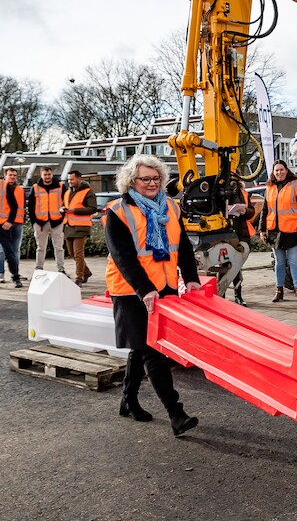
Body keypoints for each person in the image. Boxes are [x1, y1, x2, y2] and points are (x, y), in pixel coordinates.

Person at [104, 154, 201, 437]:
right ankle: (176, 413)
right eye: (145, 179)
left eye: (156, 178)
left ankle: (128, 400)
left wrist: (191, 277)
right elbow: (123, 257)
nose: (152, 183)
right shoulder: (117, 211)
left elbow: (182, 245)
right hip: (131, 290)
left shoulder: (171, 207)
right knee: (152, 350)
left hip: (165, 286)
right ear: (131, 181)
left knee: (141, 347)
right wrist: (144, 289)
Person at [258, 160, 297, 302]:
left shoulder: (295, 185)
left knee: (294, 261)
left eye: (281, 169)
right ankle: (279, 291)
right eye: (277, 170)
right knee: (279, 263)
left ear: (286, 170)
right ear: (273, 172)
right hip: (274, 231)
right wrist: (262, 230)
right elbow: (265, 210)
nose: (279, 172)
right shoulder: (270, 187)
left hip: (292, 230)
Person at [62, 170, 97, 285]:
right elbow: (65, 205)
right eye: (68, 180)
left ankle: (79, 278)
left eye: (72, 179)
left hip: (81, 227)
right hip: (69, 227)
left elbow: (92, 209)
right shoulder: (68, 192)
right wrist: (62, 209)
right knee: (72, 253)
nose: (70, 182)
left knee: (78, 254)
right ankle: (86, 272)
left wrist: (74, 210)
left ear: (79, 179)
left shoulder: (88, 192)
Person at [225, 178, 257, 306]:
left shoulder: (243, 192)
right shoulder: (220, 190)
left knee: (236, 265)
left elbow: (251, 212)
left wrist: (245, 211)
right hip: (225, 231)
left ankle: (238, 295)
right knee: (224, 265)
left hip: (240, 233)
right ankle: (222, 294)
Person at [30, 166, 67, 274]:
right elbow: (31, 206)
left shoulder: (61, 186)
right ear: (41, 175)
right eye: (45, 174)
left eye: (49, 174)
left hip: (57, 221)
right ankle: (39, 268)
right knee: (40, 247)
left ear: (52, 174)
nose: (47, 176)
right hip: (40, 222)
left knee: (59, 247)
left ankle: (61, 269)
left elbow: (66, 202)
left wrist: (63, 218)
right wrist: (34, 222)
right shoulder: (35, 187)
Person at [0, 168, 26, 283]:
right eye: (10, 175)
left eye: (14, 175)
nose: (12, 177)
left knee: (15, 250)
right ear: (5, 176)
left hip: (17, 222)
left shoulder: (20, 190)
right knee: (1, 250)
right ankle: (0, 273)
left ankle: (15, 273)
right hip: (3, 223)